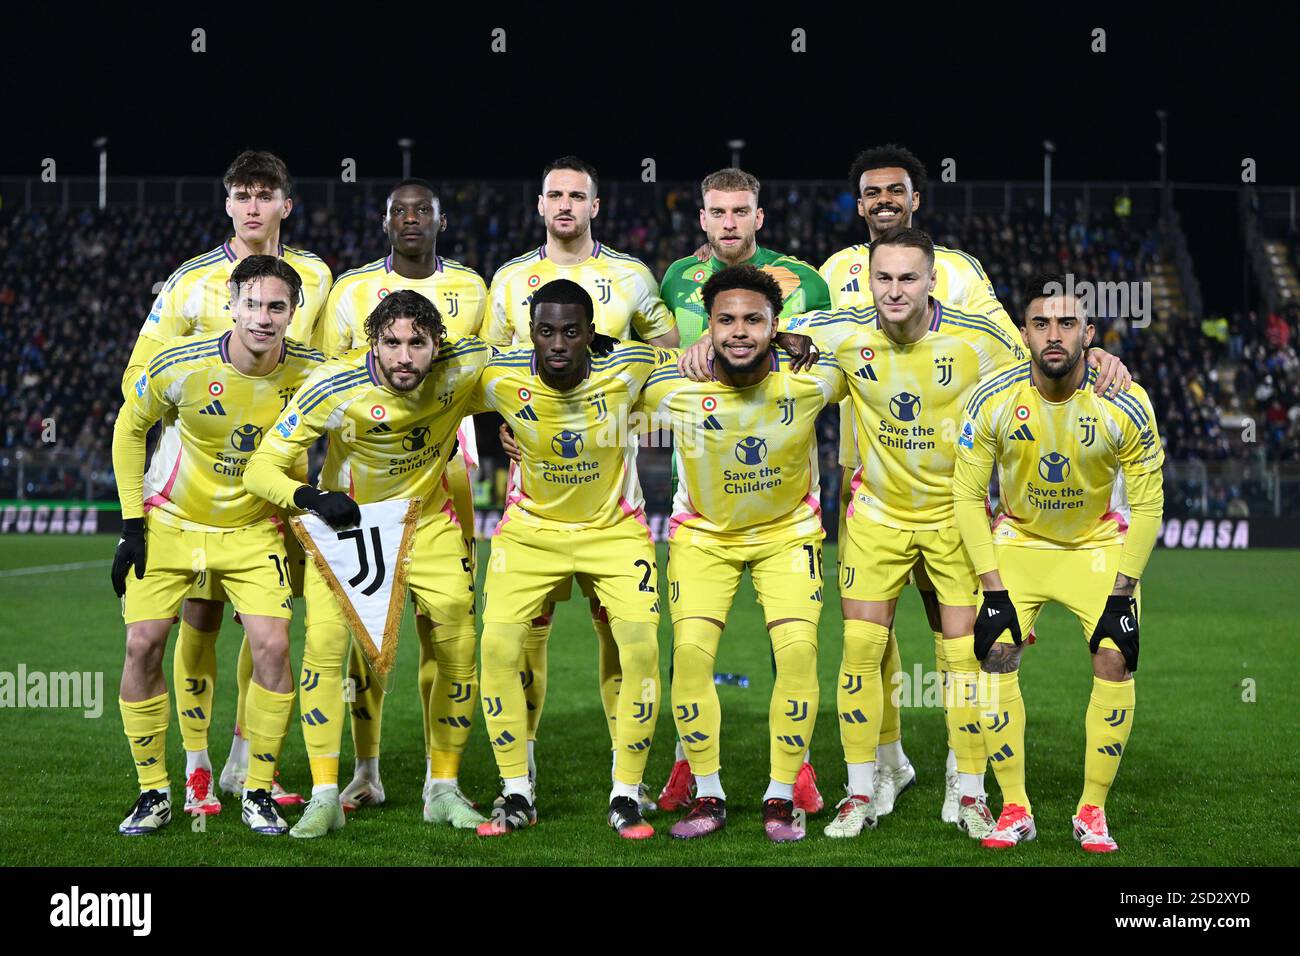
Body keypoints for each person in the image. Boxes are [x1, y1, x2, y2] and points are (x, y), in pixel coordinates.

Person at [796, 228, 1132, 840]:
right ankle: (860, 790)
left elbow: (1052, 355)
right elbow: (761, 333)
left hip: (957, 516)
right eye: (884, 278)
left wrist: (1103, 354)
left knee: (965, 662)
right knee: (858, 656)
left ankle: (972, 790)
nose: (894, 291)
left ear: (931, 281)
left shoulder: (979, 339)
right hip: (875, 516)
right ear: (868, 280)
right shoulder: (841, 331)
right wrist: (702, 351)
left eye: (908, 279)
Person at [119, 151, 333, 815]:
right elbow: (140, 379)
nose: (252, 207)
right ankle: (196, 766)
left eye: (264, 196)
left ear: (285, 205)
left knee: (267, 628)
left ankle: (247, 766)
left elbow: (322, 371)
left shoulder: (315, 277)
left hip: (276, 484)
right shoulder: (188, 282)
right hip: (195, 477)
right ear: (227, 202)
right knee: (201, 617)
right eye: (241, 195)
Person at [244, 289, 492, 837]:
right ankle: (324, 794)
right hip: (348, 531)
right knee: (326, 651)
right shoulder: (333, 387)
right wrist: (308, 498)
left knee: (458, 636)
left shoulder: (465, 366)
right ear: (372, 344)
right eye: (392, 343)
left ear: (437, 345)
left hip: (426, 524)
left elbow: (536, 373)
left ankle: (443, 788)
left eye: (418, 344)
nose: (405, 357)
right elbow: (260, 468)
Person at [485, 157, 678, 810]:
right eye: (556, 194)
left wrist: (635, 414)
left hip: (608, 492)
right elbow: (486, 372)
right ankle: (520, 769)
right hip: (534, 494)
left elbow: (667, 346)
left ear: (596, 206)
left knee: (622, 638)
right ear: (540, 205)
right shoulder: (510, 279)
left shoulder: (630, 277)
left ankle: (628, 781)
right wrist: (501, 430)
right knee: (518, 638)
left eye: (578, 195)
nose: (566, 204)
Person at [951, 273, 1164, 851]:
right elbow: (968, 496)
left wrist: (1122, 593)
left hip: (1097, 546)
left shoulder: (1124, 400)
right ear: (1024, 334)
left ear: (1088, 334)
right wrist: (991, 586)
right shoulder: (992, 398)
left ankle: (1092, 809)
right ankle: (1014, 806)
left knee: (1117, 660)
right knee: (994, 654)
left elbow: (1148, 503)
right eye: (1041, 323)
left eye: (1067, 324)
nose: (1053, 335)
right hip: (1019, 542)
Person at [638, 265, 845, 842]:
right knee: (693, 658)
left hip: (788, 534)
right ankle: (709, 794)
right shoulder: (671, 383)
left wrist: (793, 341)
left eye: (754, 320)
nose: (739, 331)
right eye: (725, 320)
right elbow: (595, 372)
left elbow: (866, 344)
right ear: (707, 326)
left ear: (776, 326)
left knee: (799, 654)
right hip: (704, 537)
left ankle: (781, 795)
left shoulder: (813, 378)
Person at [314, 179, 489, 812]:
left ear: (442, 221)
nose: (410, 220)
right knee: (367, 637)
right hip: (363, 477)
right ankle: (366, 770)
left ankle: (441, 780)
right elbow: (330, 384)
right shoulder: (351, 290)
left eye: (422, 211)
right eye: (399, 211)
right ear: (385, 222)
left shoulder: (472, 288)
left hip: (447, 472)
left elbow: (493, 368)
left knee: (444, 629)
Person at [472, 279, 666, 838]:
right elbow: (442, 375)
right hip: (531, 532)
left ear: (591, 335)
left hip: (615, 532)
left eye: (572, 332)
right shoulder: (501, 375)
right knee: (498, 646)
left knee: (641, 648)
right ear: (530, 331)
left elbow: (691, 357)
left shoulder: (627, 366)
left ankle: (626, 792)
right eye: (546, 331)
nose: (557, 343)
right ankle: (515, 790)